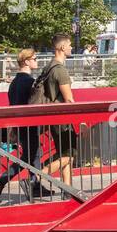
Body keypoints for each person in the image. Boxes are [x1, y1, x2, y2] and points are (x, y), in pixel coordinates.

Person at [0, 49, 41, 198]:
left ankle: (35, 186)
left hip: (20, 124)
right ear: (26, 61)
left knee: (34, 154)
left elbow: (13, 105)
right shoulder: (29, 82)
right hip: (28, 123)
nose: (37, 61)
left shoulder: (15, 82)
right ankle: (1, 181)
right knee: (29, 156)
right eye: (35, 58)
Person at [31, 33, 77, 189]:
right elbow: (69, 99)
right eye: (70, 45)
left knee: (65, 155)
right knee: (70, 155)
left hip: (53, 118)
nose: (71, 47)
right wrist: (81, 121)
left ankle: (67, 189)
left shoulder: (48, 66)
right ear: (63, 47)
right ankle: (36, 176)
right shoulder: (60, 70)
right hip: (63, 119)